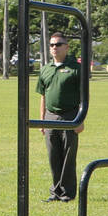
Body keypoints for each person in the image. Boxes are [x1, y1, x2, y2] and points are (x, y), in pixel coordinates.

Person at [38, 32, 83, 202]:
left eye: (58, 44)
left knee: (68, 157)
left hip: (70, 116)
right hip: (50, 117)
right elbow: (43, 95)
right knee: (53, 156)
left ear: (67, 46)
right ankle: (55, 192)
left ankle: (67, 193)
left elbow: (83, 97)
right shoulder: (46, 69)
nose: (54, 48)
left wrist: (81, 119)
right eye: (52, 45)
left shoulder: (76, 68)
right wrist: (41, 120)